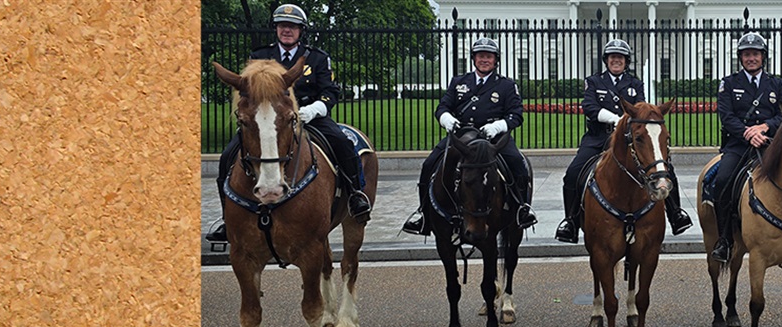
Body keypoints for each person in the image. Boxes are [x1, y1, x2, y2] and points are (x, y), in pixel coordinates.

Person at [207, 4, 371, 242]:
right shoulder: (260, 56)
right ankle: (227, 216)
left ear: (300, 30)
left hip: (310, 117)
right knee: (228, 156)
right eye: (283, 26)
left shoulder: (317, 58)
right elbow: (247, 92)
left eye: (292, 27)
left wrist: (314, 109)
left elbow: (330, 92)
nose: (287, 30)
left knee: (341, 143)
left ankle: (356, 195)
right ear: (276, 28)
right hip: (268, 120)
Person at [553, 39, 692, 244]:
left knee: (664, 169)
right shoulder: (594, 81)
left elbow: (643, 109)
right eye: (612, 57)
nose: (616, 61)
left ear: (626, 62)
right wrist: (615, 119)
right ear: (606, 60)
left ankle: (675, 214)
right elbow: (589, 107)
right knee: (573, 173)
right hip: (599, 136)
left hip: (629, 138)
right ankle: (571, 221)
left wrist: (627, 124)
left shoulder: (635, 84)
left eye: (620, 58)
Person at [402, 37, 537, 235]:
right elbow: (443, 107)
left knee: (518, 164)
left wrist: (498, 126)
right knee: (429, 164)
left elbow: (516, 115)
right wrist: (446, 119)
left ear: (495, 60)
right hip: (462, 137)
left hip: (493, 139)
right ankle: (424, 214)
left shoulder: (506, 85)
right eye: (480, 56)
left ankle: (522, 210)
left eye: (488, 57)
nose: (484, 60)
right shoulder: (459, 82)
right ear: (474, 59)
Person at [708, 32, 782, 262]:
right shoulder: (729, 83)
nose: (751, 58)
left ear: (763, 56)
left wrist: (763, 127)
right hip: (738, 144)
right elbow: (726, 117)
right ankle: (724, 239)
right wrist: (747, 133)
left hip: (770, 142)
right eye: (746, 54)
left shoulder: (776, 84)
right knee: (723, 180)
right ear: (740, 57)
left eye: (755, 54)